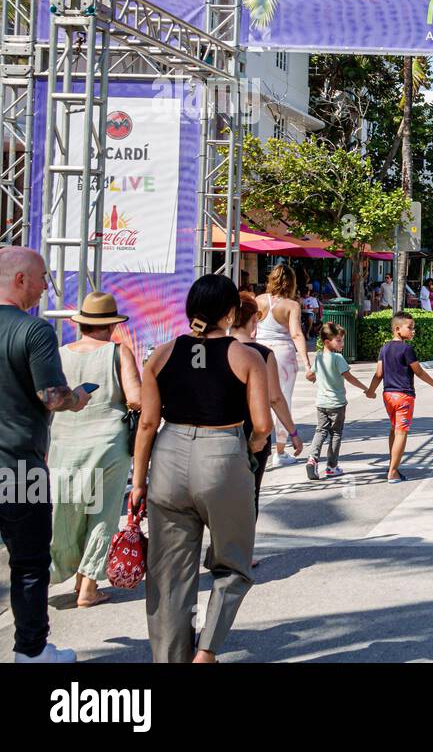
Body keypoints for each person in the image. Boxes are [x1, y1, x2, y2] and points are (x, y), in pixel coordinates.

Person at [131, 274, 271, 663]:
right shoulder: (246, 356)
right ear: (230, 313)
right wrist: (253, 448)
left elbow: (146, 423)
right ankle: (206, 650)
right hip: (223, 455)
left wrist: (139, 481)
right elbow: (261, 425)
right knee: (232, 563)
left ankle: (169, 658)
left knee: (169, 574)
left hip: (168, 456)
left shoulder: (160, 354)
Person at [0, 247, 90, 662]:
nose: (44, 288)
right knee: (30, 563)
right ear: (20, 279)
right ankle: (31, 653)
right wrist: (77, 399)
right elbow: (51, 397)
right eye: (41, 279)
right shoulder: (34, 332)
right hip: (22, 467)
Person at [48, 291, 141, 608]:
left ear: (82, 323)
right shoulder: (118, 352)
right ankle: (88, 585)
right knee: (102, 513)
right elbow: (135, 398)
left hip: (64, 444)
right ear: (112, 324)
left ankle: (69, 573)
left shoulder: (60, 354)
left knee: (67, 511)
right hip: (108, 445)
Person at [229, 293, 301, 526]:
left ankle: (220, 546)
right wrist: (293, 433)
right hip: (252, 432)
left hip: (219, 429)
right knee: (250, 492)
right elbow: (276, 398)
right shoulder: (261, 353)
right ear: (254, 319)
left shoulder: (216, 348)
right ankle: (242, 550)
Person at [364, 312, 433, 483]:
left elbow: (379, 374)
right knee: (402, 433)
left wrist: (371, 391)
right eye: (410, 327)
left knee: (394, 429)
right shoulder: (407, 349)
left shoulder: (384, 348)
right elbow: (419, 371)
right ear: (397, 329)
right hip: (404, 396)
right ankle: (393, 472)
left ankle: (392, 464)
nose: (413, 331)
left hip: (388, 396)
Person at [256, 264, 308, 467]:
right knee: (283, 399)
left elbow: (251, 330)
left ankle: (259, 445)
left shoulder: (258, 300)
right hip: (283, 353)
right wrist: (307, 362)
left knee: (258, 399)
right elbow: (296, 334)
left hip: (259, 350)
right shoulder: (291, 305)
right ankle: (280, 451)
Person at [304, 322, 366, 479]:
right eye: (338, 340)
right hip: (337, 404)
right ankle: (332, 466)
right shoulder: (338, 358)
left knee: (321, 431)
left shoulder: (318, 357)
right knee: (336, 433)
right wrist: (366, 389)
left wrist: (312, 375)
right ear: (327, 342)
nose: (342, 343)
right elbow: (350, 377)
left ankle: (312, 459)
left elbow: (310, 375)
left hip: (321, 403)